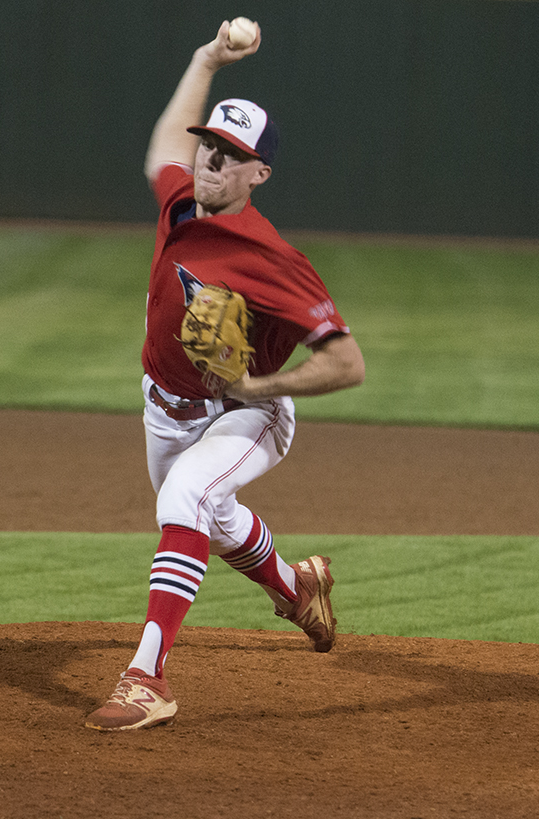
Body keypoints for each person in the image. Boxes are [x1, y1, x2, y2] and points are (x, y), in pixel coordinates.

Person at [85, 19, 365, 731]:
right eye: (210, 144)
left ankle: (146, 676)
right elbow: (161, 147)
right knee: (206, 515)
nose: (212, 158)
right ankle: (297, 585)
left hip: (247, 413)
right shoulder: (182, 199)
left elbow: (346, 361)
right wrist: (205, 60)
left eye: (232, 154)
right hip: (165, 406)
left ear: (257, 174)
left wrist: (260, 391)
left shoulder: (269, 256)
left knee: (183, 495)